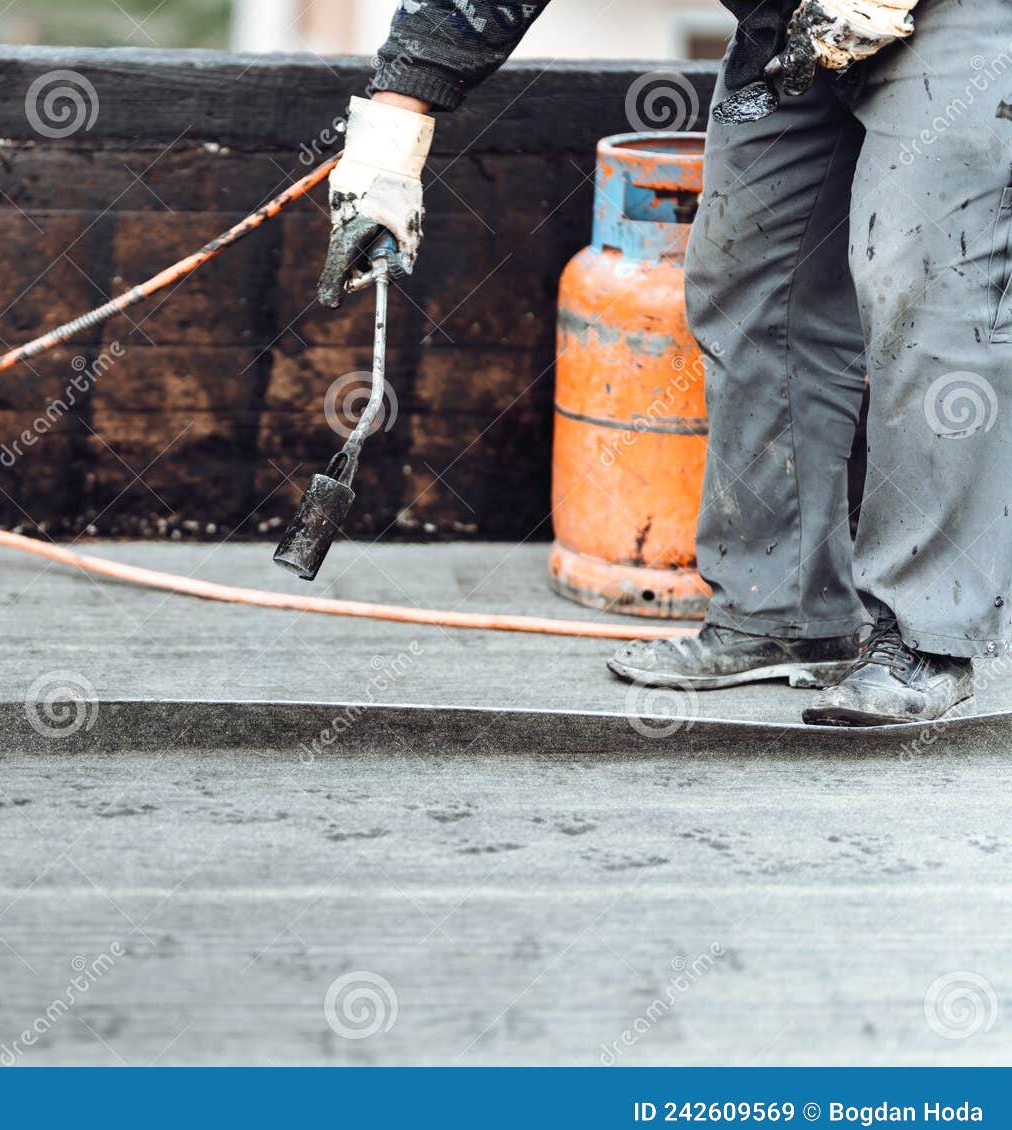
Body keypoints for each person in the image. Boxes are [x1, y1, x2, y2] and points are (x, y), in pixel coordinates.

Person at [322, 0, 1010, 727]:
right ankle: (780, 610)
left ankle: (928, 637)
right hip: (792, 19)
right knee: (751, 278)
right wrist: (388, 144)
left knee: (928, 281)